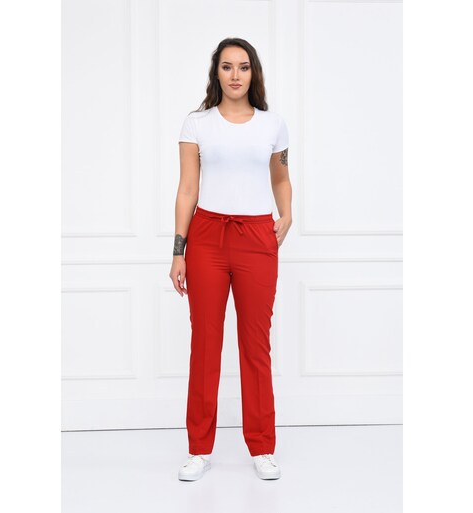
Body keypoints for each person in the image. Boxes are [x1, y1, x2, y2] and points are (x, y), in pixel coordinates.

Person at [169, 38, 292, 481]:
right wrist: (179, 250)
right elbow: (188, 188)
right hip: (207, 238)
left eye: (243, 66)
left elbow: (281, 177)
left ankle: (262, 446)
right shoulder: (197, 123)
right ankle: (199, 448)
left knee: (256, 345)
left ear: (253, 72)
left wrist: (287, 214)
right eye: (227, 66)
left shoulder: (272, 125)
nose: (235, 75)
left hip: (256, 237)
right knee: (205, 343)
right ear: (216, 73)